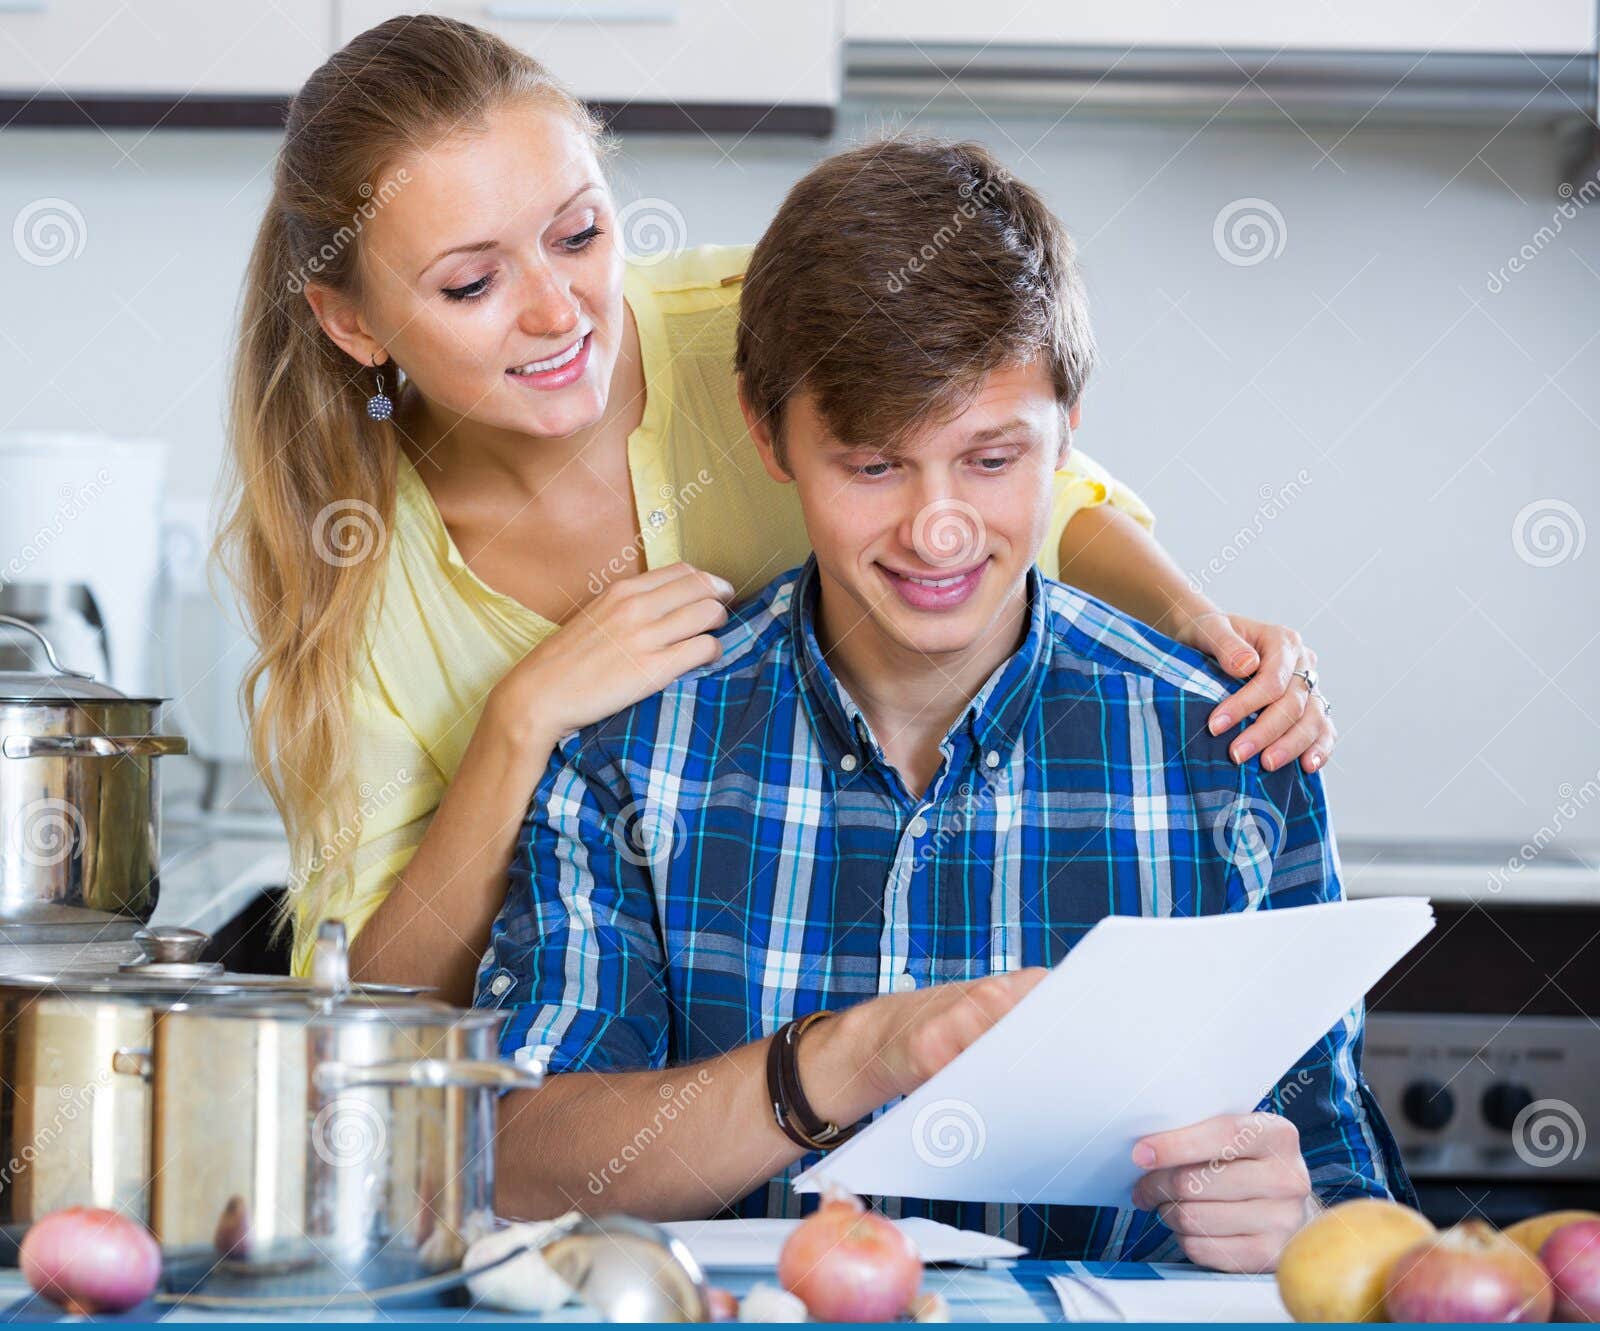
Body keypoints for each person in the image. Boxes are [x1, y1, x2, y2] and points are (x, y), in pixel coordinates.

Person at [217, 14, 1336, 1005]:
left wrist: (1205, 630)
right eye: (472, 285)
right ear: (352, 323)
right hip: (582, 1082)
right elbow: (368, 1000)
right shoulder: (349, 551)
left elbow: (1014, 489)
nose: (558, 310)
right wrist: (521, 723)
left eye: (579, 236)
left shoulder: (739, 330)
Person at [478, 136, 1411, 1270]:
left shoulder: (1229, 749)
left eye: (989, 460)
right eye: (874, 467)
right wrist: (846, 1059)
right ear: (769, 434)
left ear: (1067, 429)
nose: (937, 531)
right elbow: (514, 1169)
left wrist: (1297, 1220)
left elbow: (1357, 1204)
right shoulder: (634, 750)